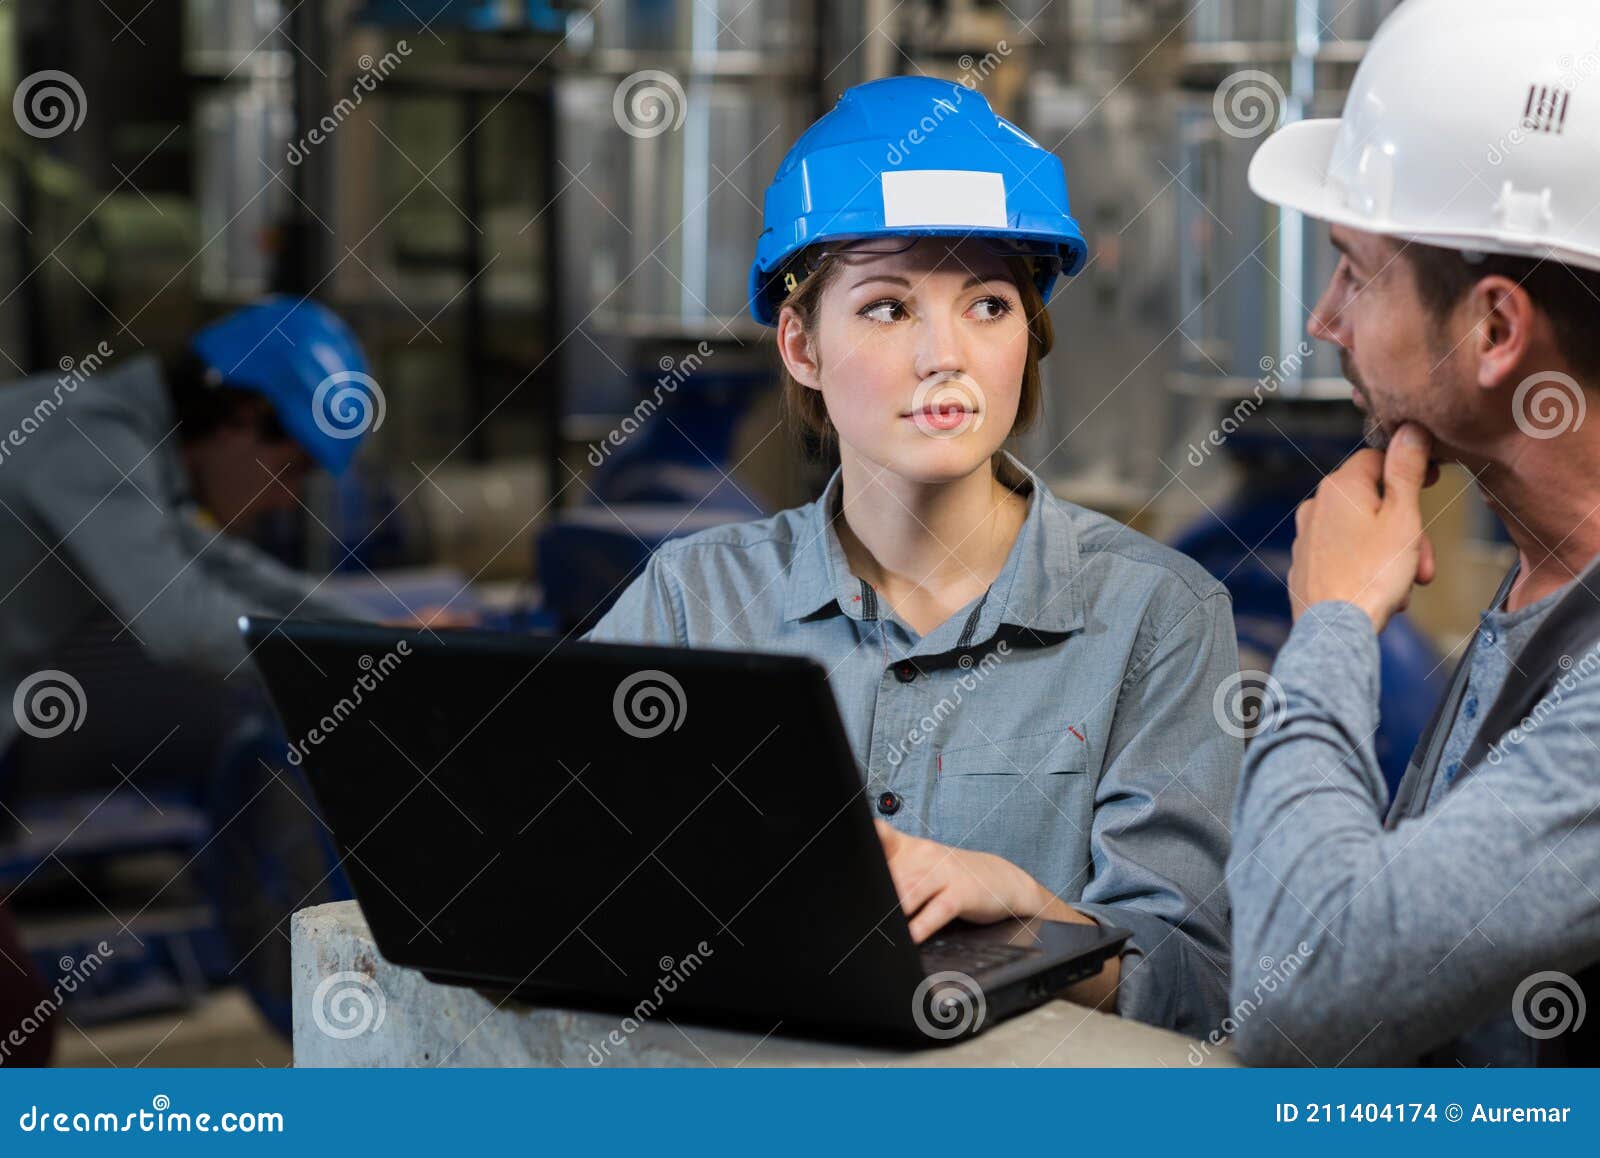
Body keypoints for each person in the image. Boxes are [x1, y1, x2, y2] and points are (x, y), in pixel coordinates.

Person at [586, 76, 1241, 1034]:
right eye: (889, 308)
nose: (948, 355)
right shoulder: (695, 602)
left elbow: (1201, 992)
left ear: (1029, 336)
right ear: (801, 347)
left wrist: (1034, 916)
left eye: (987, 305)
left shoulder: (1156, 618)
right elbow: (548, 857)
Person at [1227, 0, 1600, 1065]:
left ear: (1493, 329)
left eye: (1357, 271)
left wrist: (1335, 618)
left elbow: (1297, 1003)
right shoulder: (1549, 583)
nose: (1323, 319)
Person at [0, 297, 381, 759]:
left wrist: (381, 640)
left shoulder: (137, 456)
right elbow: (182, 624)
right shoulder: (90, 435)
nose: (288, 499)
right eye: (292, 468)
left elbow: (224, 565)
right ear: (242, 417)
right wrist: (350, 668)